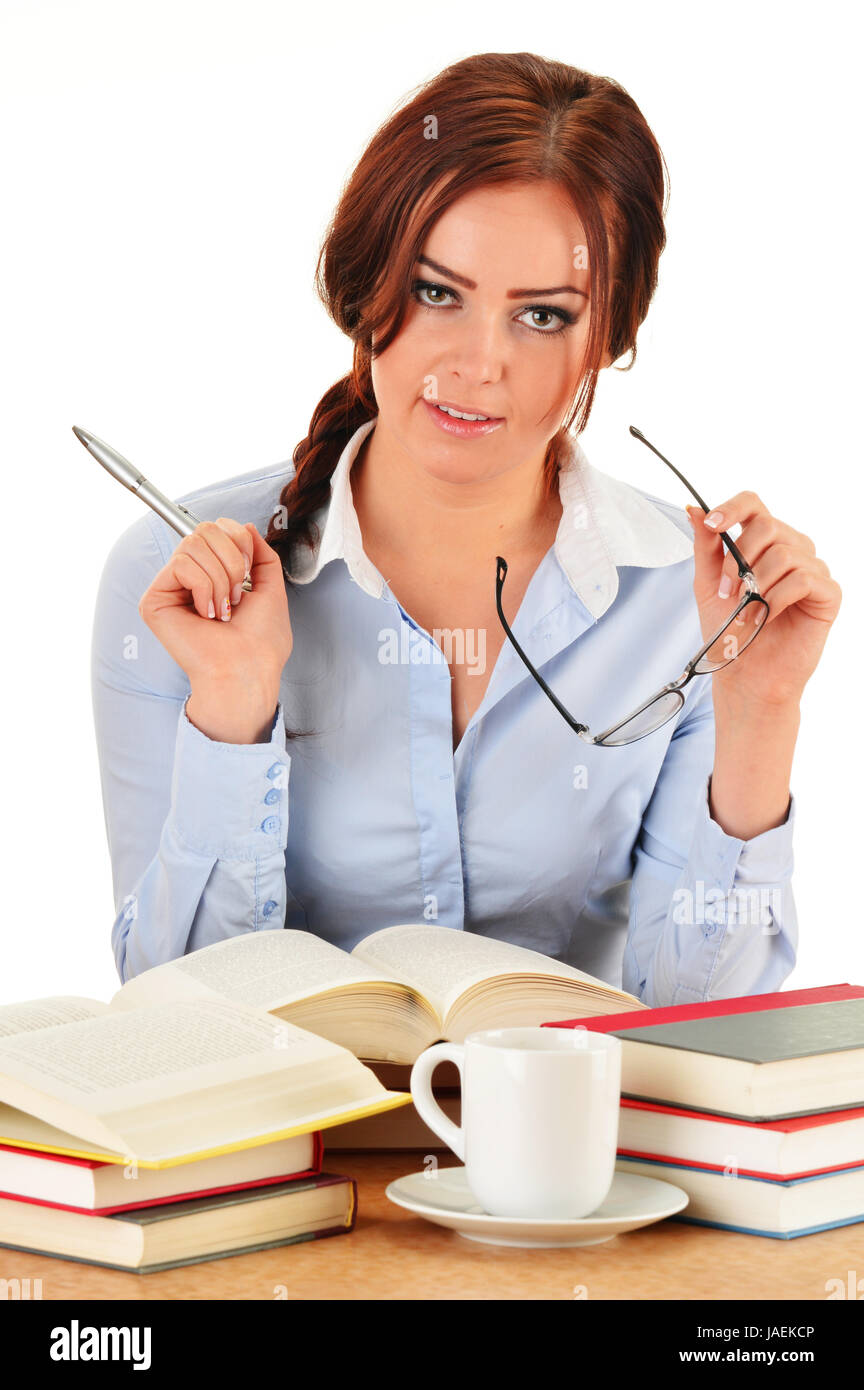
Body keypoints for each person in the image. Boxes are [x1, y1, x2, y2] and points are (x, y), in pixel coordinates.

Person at [91, 52, 841, 1000]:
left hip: (570, 1145)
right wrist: (233, 713)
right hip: (299, 1148)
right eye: (439, 292)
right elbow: (171, 1020)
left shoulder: (693, 603)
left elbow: (707, 1034)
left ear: (609, 334)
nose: (479, 363)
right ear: (367, 288)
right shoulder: (177, 581)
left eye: (540, 314)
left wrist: (760, 716)